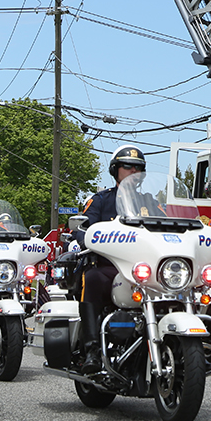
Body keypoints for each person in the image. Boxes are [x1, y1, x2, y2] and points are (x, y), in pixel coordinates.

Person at [75, 145, 146, 371]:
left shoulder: (149, 202)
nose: (133, 171)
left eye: (138, 168)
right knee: (92, 278)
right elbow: (82, 228)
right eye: (127, 166)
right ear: (116, 170)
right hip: (109, 267)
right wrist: (86, 238)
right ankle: (92, 350)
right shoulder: (101, 200)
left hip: (143, 269)